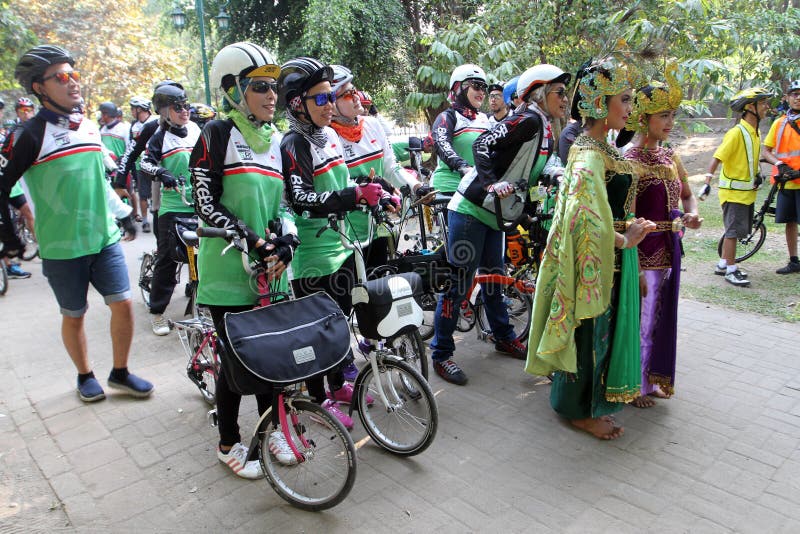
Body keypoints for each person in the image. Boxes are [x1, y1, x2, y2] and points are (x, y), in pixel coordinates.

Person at [0, 45, 151, 402]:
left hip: (104, 239)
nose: (73, 83)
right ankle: (85, 375)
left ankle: (121, 372)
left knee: (124, 304)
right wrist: (10, 237)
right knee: (75, 314)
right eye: (62, 77)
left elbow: (97, 180)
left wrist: (123, 215)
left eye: (74, 75)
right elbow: (5, 185)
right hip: (62, 246)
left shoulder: (86, 125)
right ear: (39, 88)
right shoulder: (31, 134)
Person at [525, 56, 655, 440]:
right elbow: (582, 216)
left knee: (601, 329)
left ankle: (594, 399)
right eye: (626, 100)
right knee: (588, 331)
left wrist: (627, 226)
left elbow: (604, 206)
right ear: (600, 104)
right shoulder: (587, 153)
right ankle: (578, 410)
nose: (630, 109)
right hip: (594, 256)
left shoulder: (603, 147)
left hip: (608, 255)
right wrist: (623, 239)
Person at [190, 42, 300, 478]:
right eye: (259, 87)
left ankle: (274, 428)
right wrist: (254, 240)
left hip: (271, 272)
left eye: (274, 87)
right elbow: (205, 204)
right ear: (233, 90)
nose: (272, 95)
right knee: (237, 363)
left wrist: (286, 241)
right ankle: (228, 442)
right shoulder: (216, 134)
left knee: (273, 356)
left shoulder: (276, 141)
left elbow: (287, 205)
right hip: (228, 271)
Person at [439, 64, 572, 383]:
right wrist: (489, 184)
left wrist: (554, 174)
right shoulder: (526, 119)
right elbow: (481, 145)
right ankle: (441, 353)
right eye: (559, 92)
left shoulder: (544, 125)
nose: (565, 98)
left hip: (494, 214)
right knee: (459, 284)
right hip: (472, 209)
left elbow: (533, 166)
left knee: (495, 278)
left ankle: (503, 336)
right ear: (539, 93)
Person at [279, 57, 389, 429]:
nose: (328, 105)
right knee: (316, 332)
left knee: (340, 324)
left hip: (341, 245)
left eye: (330, 97)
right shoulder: (294, 142)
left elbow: (343, 184)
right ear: (298, 103)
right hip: (311, 256)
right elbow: (300, 200)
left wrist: (375, 192)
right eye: (321, 99)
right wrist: (353, 196)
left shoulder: (327, 137)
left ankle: (337, 383)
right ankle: (318, 398)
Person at [620, 65, 703, 407]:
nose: (670, 122)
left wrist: (693, 213)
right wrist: (634, 260)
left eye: (673, 115)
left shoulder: (670, 157)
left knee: (660, 318)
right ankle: (637, 384)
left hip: (671, 250)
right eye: (663, 115)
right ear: (643, 118)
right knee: (642, 318)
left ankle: (654, 376)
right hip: (643, 253)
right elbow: (623, 216)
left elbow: (687, 194)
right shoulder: (628, 160)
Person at [140, 82, 201, 335]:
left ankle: (199, 308)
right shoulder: (159, 137)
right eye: (178, 107)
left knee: (202, 259)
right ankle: (157, 313)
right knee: (167, 260)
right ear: (164, 112)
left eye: (186, 105)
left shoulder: (197, 129)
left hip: (198, 206)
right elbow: (144, 163)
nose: (184, 111)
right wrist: (161, 172)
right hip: (173, 208)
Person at [701, 87, 774, 287]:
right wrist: (707, 182)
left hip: (745, 194)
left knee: (736, 230)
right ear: (750, 107)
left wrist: (760, 173)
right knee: (732, 232)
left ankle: (723, 263)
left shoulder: (754, 132)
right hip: (733, 194)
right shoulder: (736, 133)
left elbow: (750, 159)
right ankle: (732, 271)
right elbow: (717, 157)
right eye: (762, 103)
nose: (766, 107)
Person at [115, 89, 173, 236]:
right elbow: (131, 152)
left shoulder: (191, 126)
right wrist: (119, 183)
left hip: (181, 182)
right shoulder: (151, 126)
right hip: (155, 175)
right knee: (156, 209)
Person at [430, 64, 491, 196]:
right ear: (459, 88)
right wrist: (462, 166)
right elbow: (442, 144)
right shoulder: (448, 117)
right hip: (450, 186)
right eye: (476, 86)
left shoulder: (486, 119)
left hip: (478, 186)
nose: (481, 92)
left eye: (484, 87)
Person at [761, 79, 800, 274]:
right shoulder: (779, 123)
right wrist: (779, 164)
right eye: (794, 94)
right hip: (786, 183)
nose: (798, 97)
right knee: (790, 222)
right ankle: (794, 260)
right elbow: (766, 151)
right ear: (787, 97)